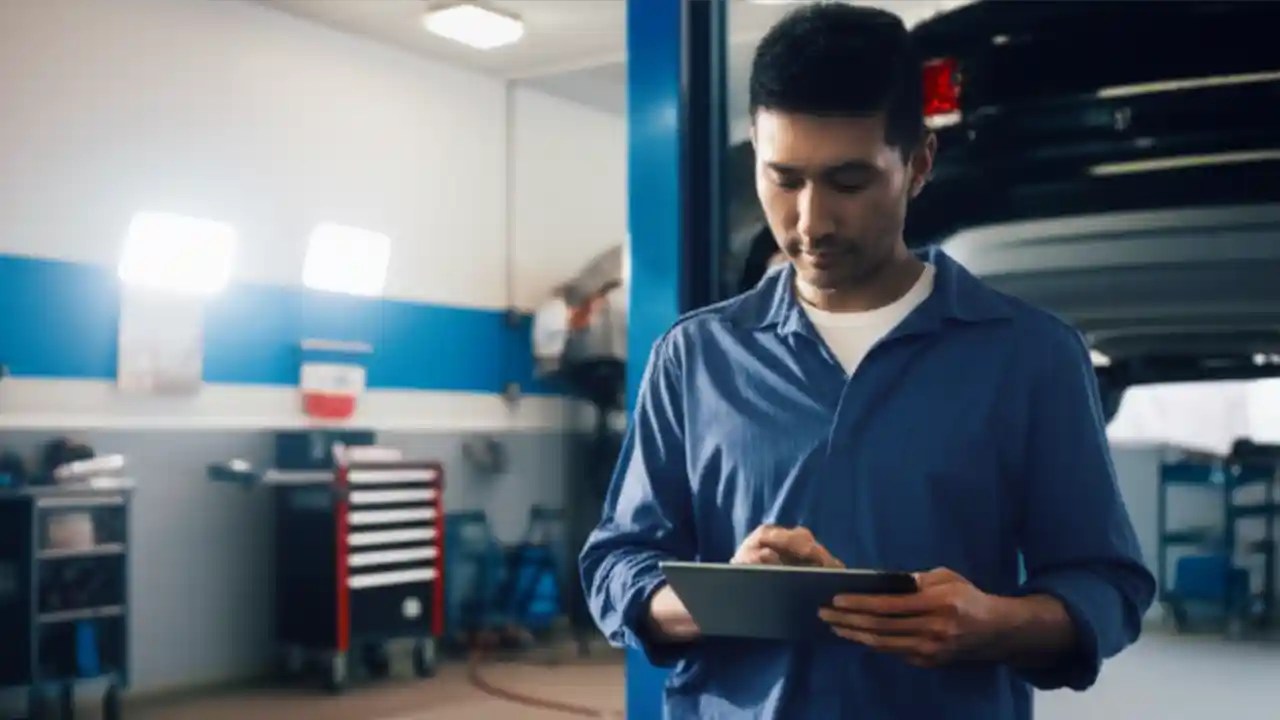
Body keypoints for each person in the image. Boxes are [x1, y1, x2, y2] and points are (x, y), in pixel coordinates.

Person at [580, 4, 1155, 719]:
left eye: (848, 183)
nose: (811, 221)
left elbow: (1108, 584)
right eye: (782, 178)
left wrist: (992, 625)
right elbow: (616, 562)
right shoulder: (694, 359)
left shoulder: (1030, 357)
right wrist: (718, 598)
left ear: (918, 163)